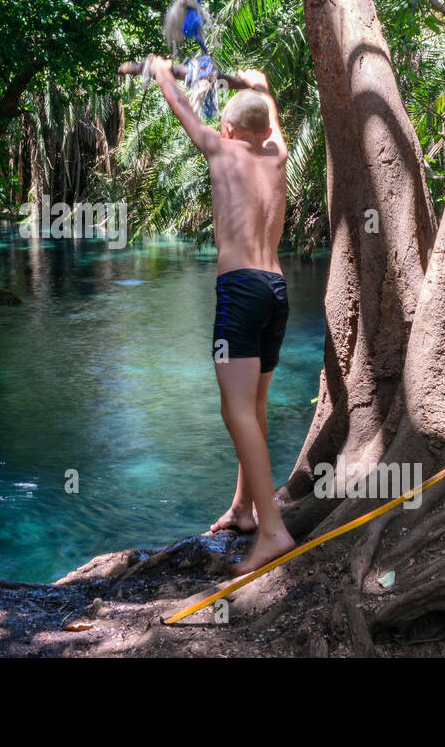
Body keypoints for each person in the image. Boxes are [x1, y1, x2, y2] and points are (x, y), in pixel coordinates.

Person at [146, 55, 296, 576]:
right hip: (277, 291)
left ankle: (274, 530)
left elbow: (182, 108)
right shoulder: (277, 151)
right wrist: (249, 82)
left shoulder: (219, 148)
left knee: (235, 413)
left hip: (239, 291)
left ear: (229, 130)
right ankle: (245, 510)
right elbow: (264, 100)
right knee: (255, 406)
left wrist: (162, 70)